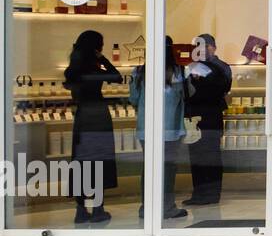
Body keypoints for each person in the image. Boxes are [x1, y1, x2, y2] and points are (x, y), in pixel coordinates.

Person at [64, 30, 122, 224]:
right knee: (100, 161)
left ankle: (81, 210)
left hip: (82, 116)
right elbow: (117, 77)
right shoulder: (95, 69)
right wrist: (103, 59)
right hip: (98, 115)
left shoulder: (73, 69)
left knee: (81, 161)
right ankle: (98, 208)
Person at [130, 36, 188, 220]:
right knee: (168, 168)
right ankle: (167, 207)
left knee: (149, 168)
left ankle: (146, 208)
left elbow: (133, 98)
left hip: (146, 128)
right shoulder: (178, 72)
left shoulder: (139, 72)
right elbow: (188, 95)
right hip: (171, 128)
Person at [183, 33, 232, 207]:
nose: (202, 50)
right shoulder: (192, 67)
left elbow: (224, 88)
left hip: (211, 116)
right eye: (198, 47)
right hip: (195, 117)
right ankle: (199, 193)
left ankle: (211, 193)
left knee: (211, 156)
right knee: (196, 155)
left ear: (213, 47)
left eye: (205, 47)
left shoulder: (220, 67)